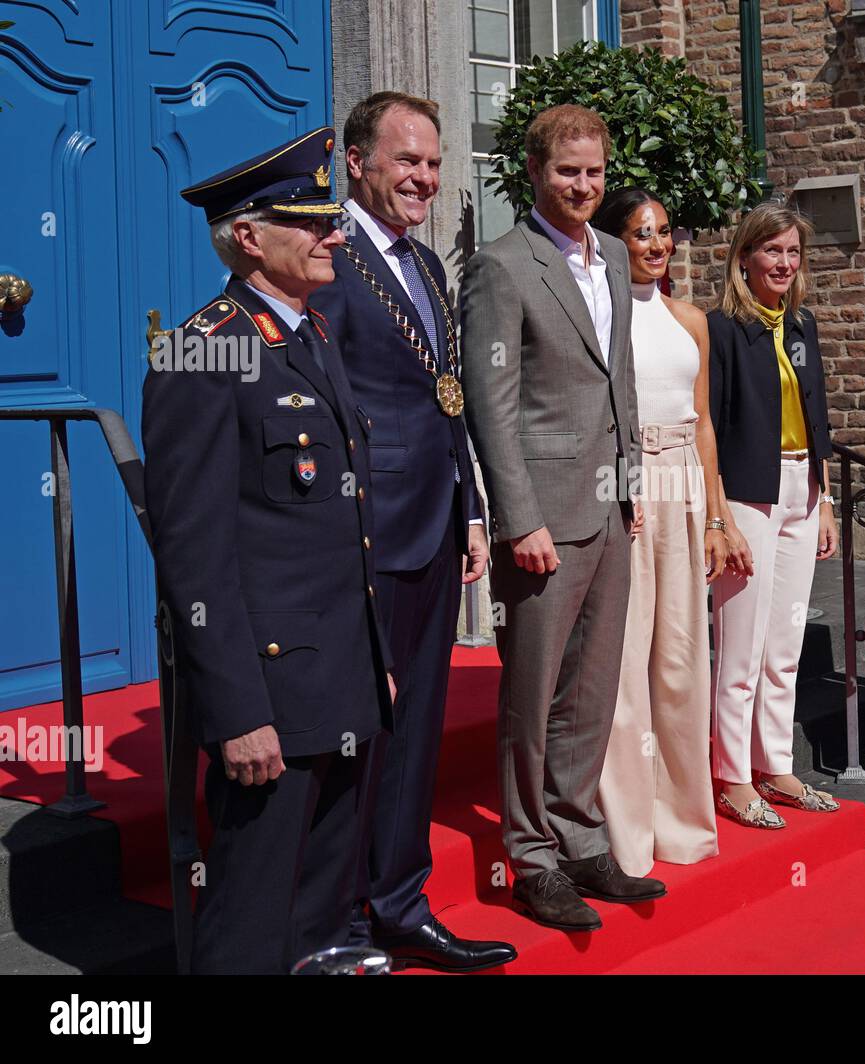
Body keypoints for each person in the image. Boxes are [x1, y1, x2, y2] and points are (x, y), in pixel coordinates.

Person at [143, 128, 394, 974]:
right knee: (250, 918)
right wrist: (238, 712)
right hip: (273, 691)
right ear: (249, 236)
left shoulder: (310, 333)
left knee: (321, 906)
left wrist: (374, 662)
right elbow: (195, 556)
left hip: (340, 670)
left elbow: (338, 527)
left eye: (333, 220)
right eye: (311, 222)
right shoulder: (201, 350)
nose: (334, 236)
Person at [310, 92, 515, 973]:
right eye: (407, 161)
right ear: (356, 162)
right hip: (369, 533)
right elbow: (326, 406)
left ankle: (399, 901)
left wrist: (470, 507)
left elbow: (446, 397)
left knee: (417, 728)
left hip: (435, 523)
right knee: (361, 732)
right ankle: (337, 920)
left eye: (433, 163)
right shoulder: (327, 255)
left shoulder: (426, 264)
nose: (425, 179)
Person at [460, 105, 664, 931]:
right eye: (567, 171)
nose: (583, 186)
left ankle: (579, 836)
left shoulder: (611, 254)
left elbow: (619, 378)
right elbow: (491, 405)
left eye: (594, 172)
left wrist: (632, 482)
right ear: (535, 172)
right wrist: (519, 518)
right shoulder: (501, 266)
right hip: (543, 515)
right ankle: (531, 855)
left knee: (592, 688)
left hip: (610, 505)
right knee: (533, 694)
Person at [589, 188, 729, 878]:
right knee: (623, 659)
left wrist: (717, 518)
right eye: (642, 233)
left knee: (681, 656)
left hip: (685, 485)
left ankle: (682, 823)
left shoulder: (691, 319)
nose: (657, 245)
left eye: (664, 232)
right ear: (614, 241)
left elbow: (703, 423)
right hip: (630, 481)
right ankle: (627, 832)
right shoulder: (599, 315)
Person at [708, 201, 840, 829]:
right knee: (741, 647)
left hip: (802, 490)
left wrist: (826, 499)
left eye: (793, 252)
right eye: (772, 250)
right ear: (745, 257)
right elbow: (708, 426)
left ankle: (775, 765)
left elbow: (819, 417)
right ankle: (732, 777)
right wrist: (719, 517)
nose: (784, 263)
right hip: (747, 494)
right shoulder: (721, 329)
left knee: (784, 647)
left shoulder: (801, 323)